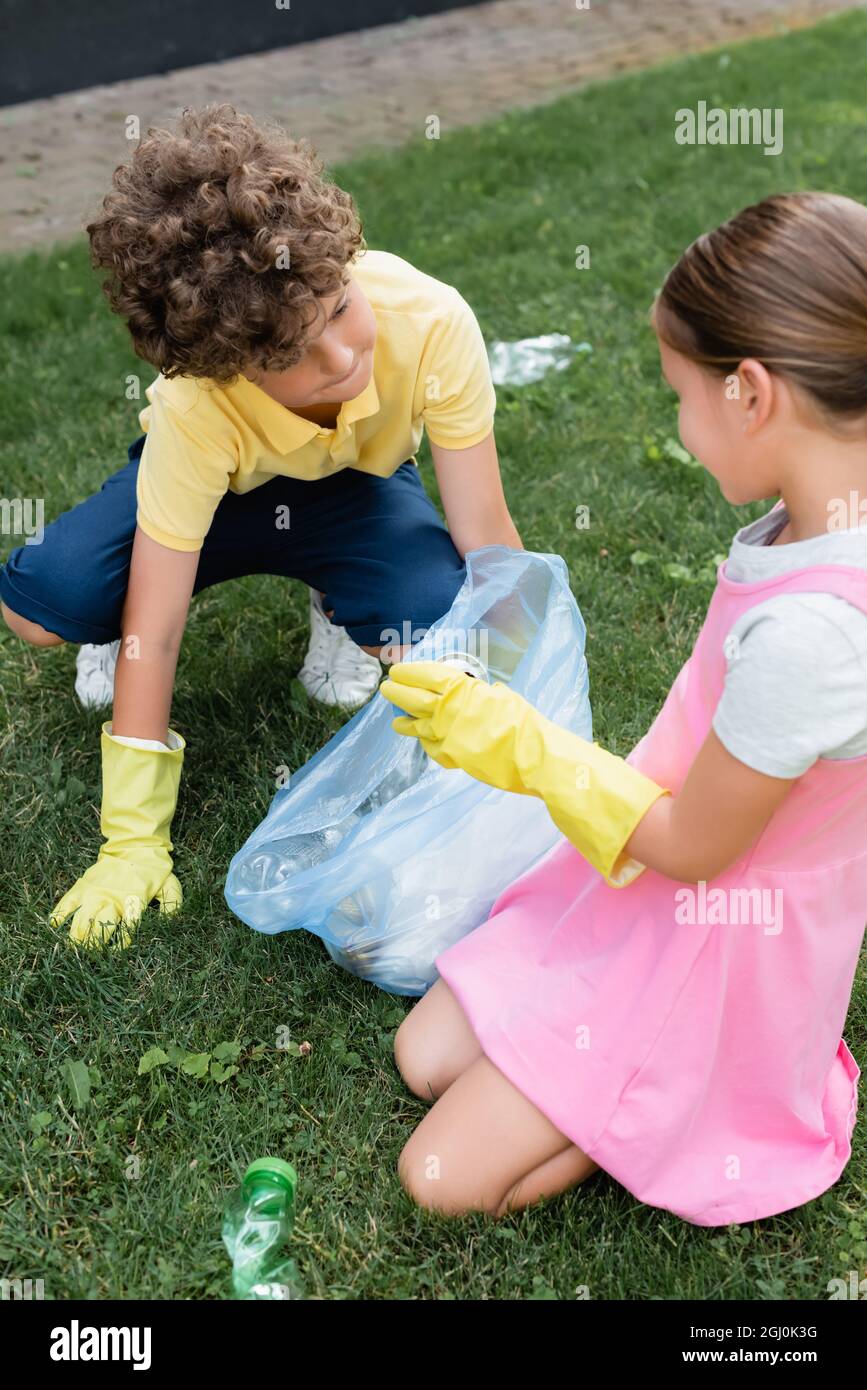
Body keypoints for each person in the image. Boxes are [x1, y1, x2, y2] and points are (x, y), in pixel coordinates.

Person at [381, 191, 867, 1227]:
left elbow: (695, 847)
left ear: (750, 393)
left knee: (440, 1182)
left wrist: (526, 750)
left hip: (720, 925)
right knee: (423, 1055)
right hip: (647, 869)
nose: (678, 425)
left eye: (678, 395)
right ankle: (603, 1074)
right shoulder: (820, 514)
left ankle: (657, 1102)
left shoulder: (819, 635)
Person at [0, 104, 521, 946]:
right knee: (39, 607)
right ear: (223, 363)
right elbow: (159, 627)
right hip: (216, 501)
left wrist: (527, 707)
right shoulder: (195, 406)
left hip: (356, 490)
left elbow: (487, 537)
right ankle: (99, 611)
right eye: (291, 358)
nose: (342, 361)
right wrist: (131, 843)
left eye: (341, 310)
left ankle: (338, 600)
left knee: (433, 635)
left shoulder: (429, 318)